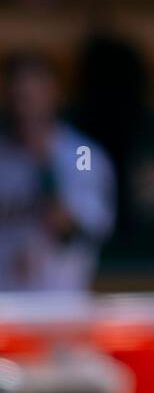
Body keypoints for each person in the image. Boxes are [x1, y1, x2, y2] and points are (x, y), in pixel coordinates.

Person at [0, 52, 115, 292]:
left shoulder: (82, 154)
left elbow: (70, 228)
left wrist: (44, 166)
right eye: (18, 97)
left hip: (59, 306)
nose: (24, 109)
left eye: (30, 98)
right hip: (6, 306)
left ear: (53, 94)